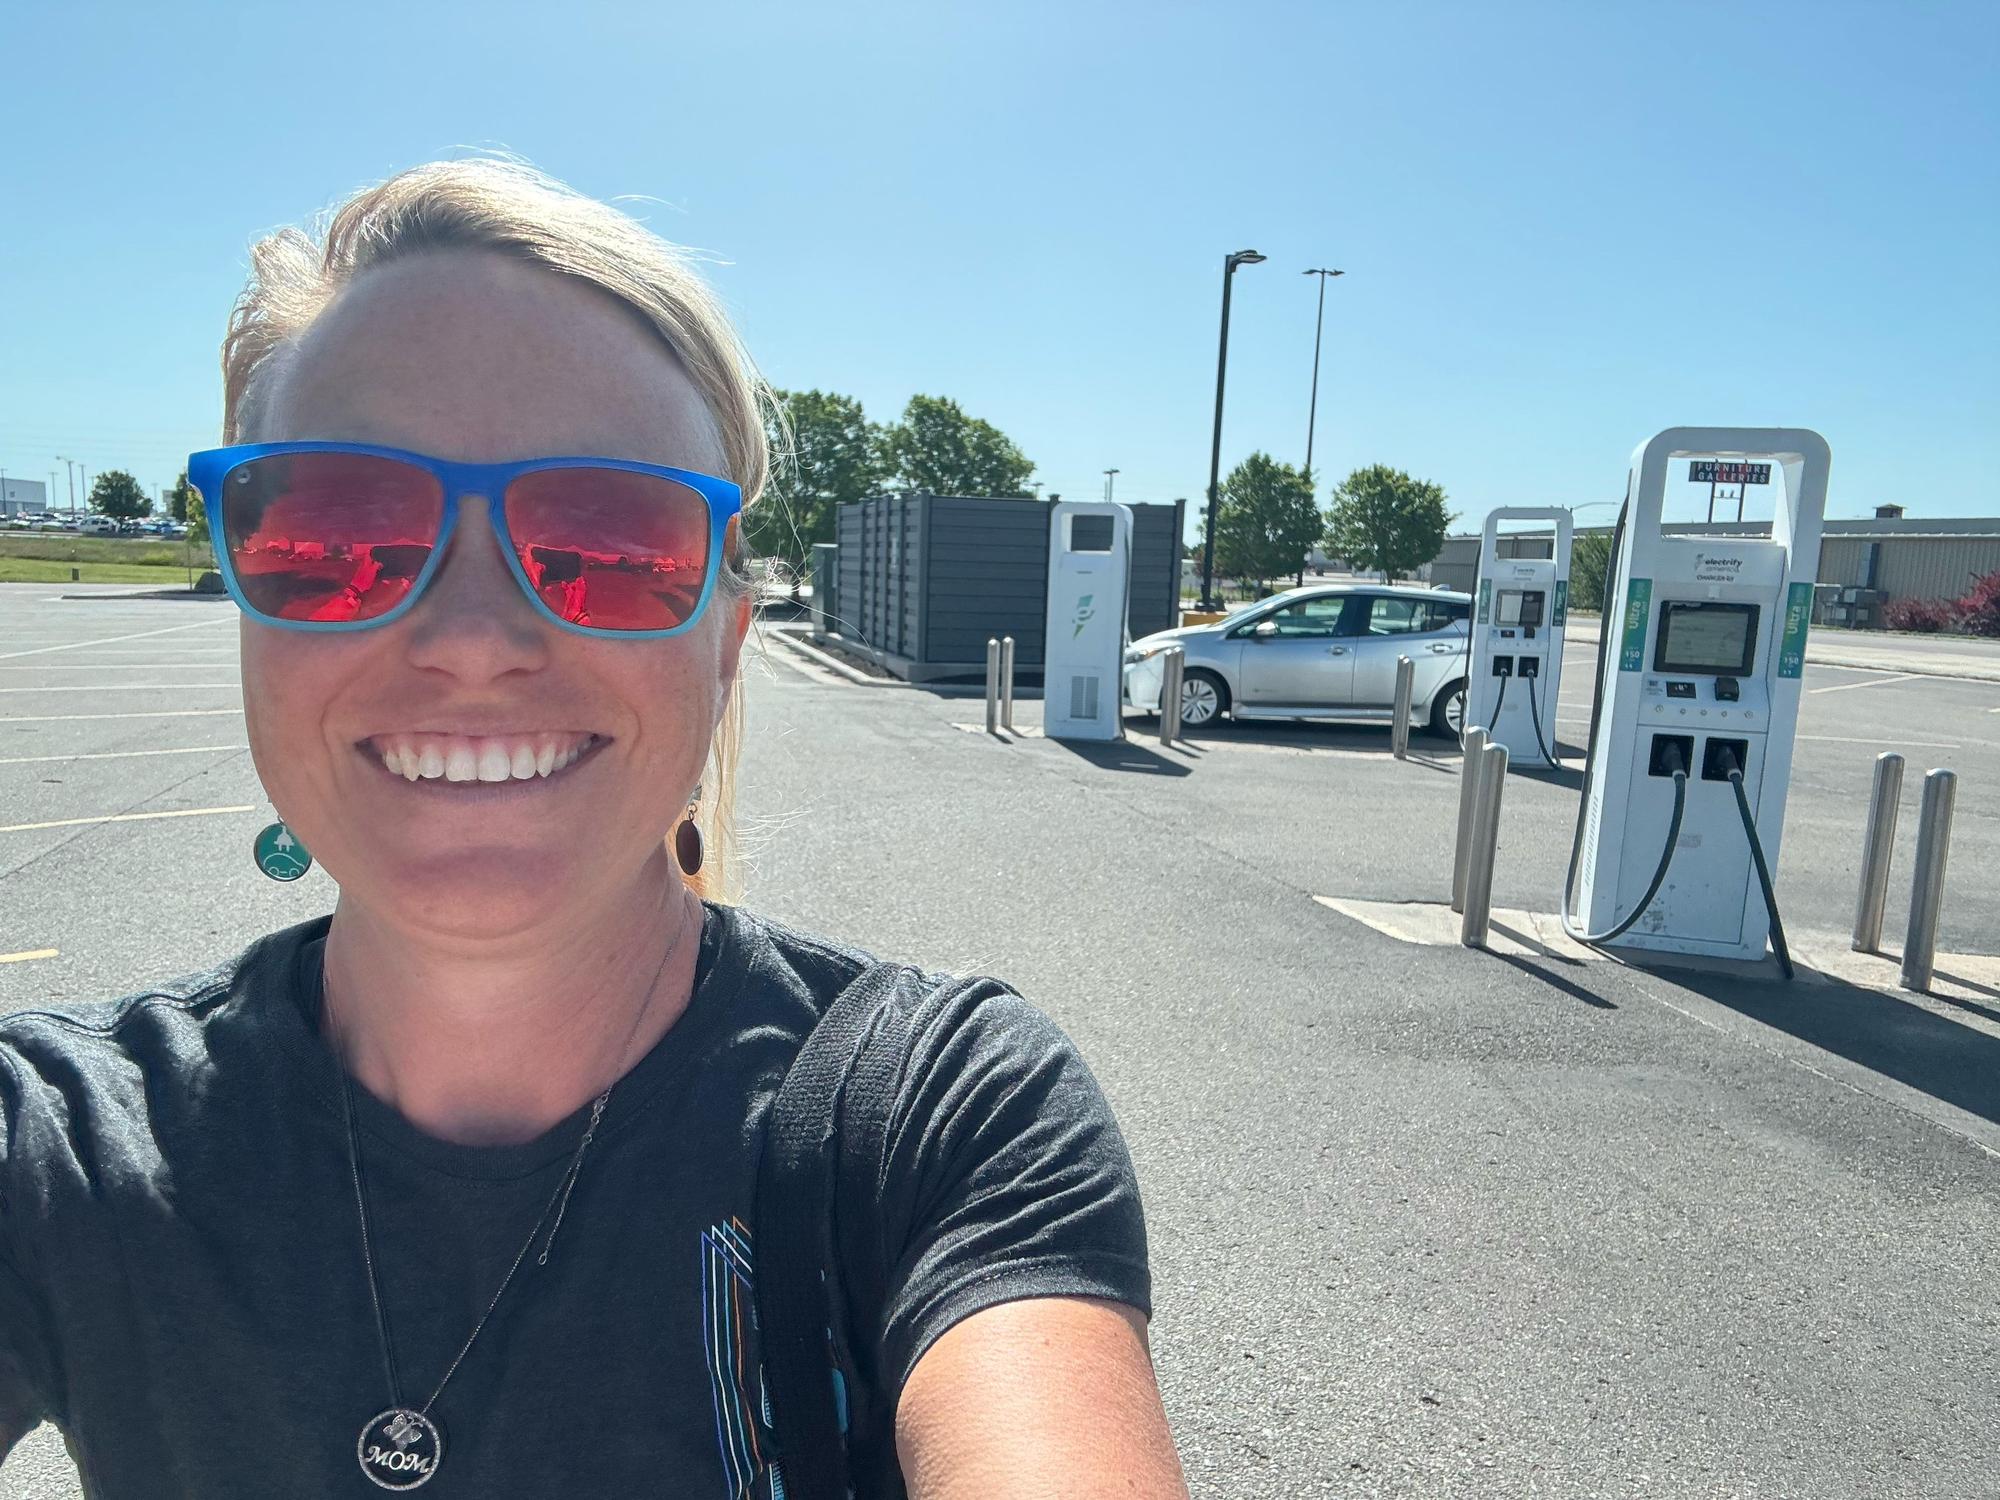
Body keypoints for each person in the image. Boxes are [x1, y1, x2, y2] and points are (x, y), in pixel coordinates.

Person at [0, 159, 1187, 1498]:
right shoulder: (58, 1142)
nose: (471, 640)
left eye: (609, 543)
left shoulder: (940, 1127)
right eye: (340, 529)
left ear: (726, 647)